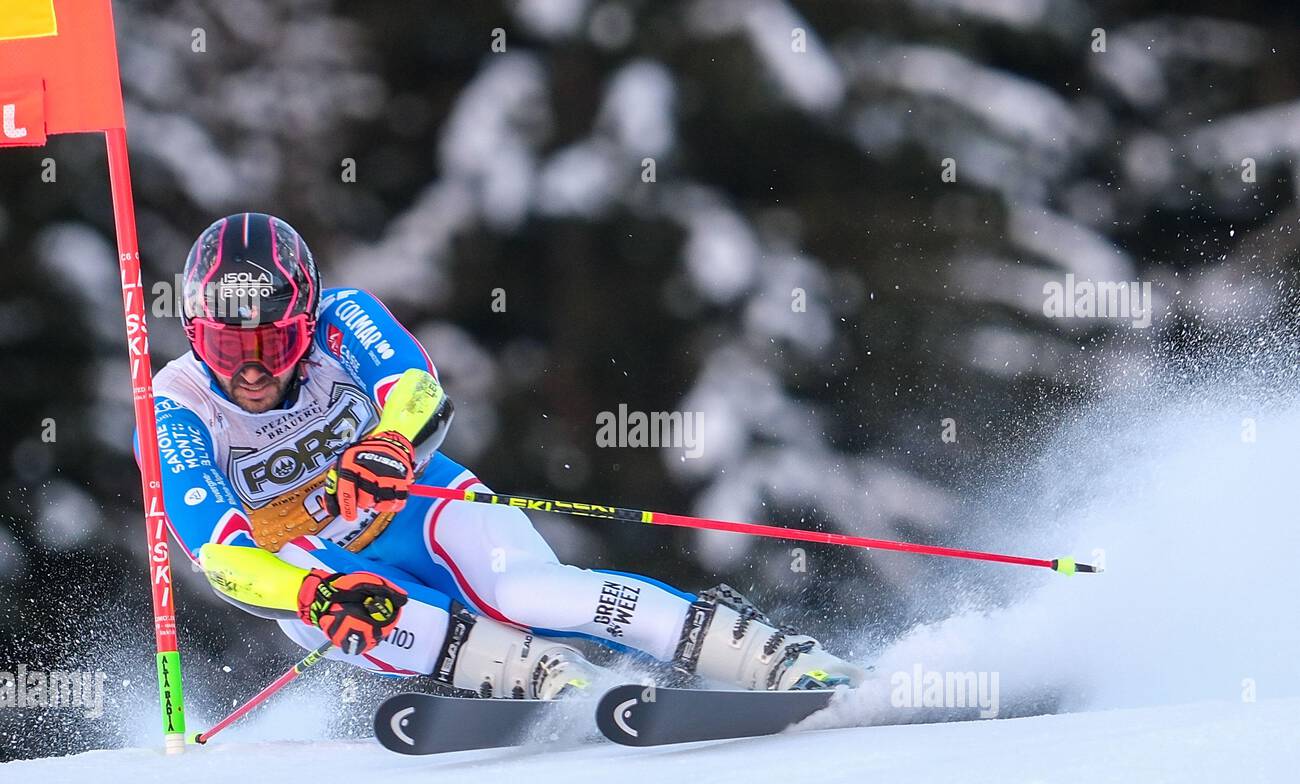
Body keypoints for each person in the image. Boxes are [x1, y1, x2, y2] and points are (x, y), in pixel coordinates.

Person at [149, 212, 864, 700]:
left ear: (303, 319)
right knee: (375, 610)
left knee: (526, 594)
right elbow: (220, 557)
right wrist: (311, 596)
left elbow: (419, 390)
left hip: (418, 507)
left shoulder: (342, 317)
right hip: (317, 569)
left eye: (272, 344)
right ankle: (550, 682)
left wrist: (390, 445)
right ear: (193, 330)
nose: (250, 370)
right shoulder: (176, 407)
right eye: (224, 346)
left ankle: (773, 657)